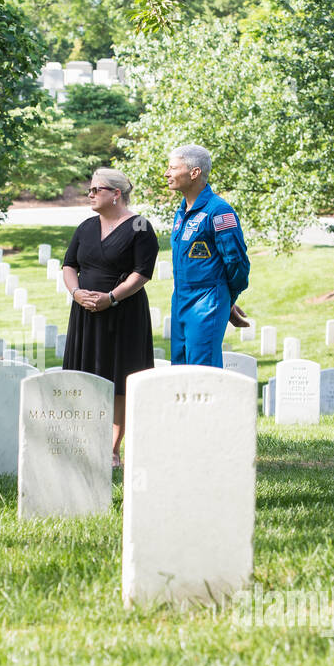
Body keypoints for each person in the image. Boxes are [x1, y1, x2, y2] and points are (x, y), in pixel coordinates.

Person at [61, 167, 157, 468]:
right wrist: (77, 293)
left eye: (96, 190)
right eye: (89, 190)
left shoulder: (140, 225)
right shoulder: (86, 226)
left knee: (119, 380)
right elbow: (69, 265)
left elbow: (142, 273)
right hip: (86, 313)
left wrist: (112, 298)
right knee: (85, 374)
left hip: (123, 312)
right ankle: (84, 440)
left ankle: (112, 449)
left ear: (116, 193)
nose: (89, 195)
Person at [164, 144, 249, 367]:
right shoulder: (181, 212)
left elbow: (237, 263)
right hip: (180, 299)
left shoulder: (219, 211)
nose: (167, 173)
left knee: (202, 375)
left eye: (173, 168)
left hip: (206, 301)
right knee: (179, 371)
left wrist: (225, 300)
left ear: (194, 173)